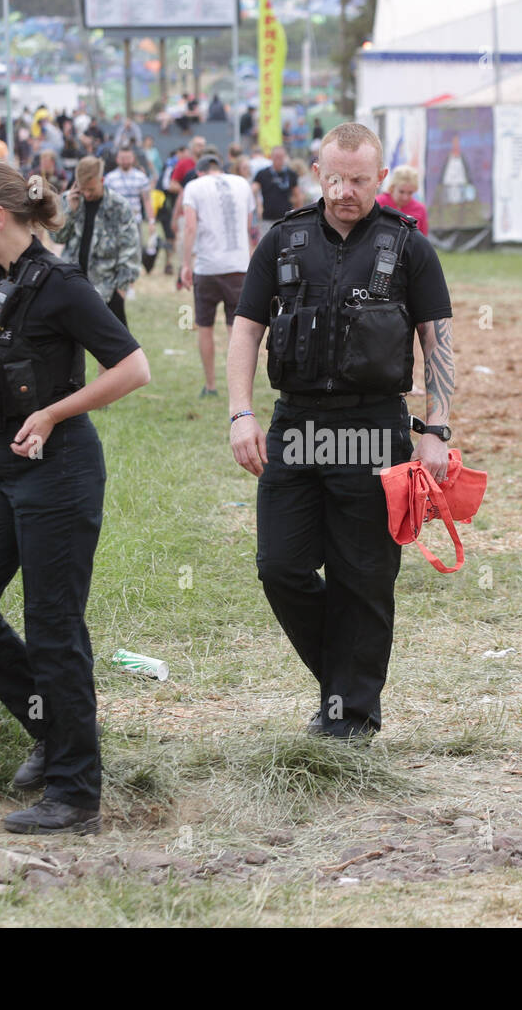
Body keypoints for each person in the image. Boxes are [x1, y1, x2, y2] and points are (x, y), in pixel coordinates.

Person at [0, 163, 151, 834]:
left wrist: (56, 412)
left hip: (59, 471)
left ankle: (76, 794)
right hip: (2, 466)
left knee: (55, 629)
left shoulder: (61, 284)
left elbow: (133, 368)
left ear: (0, 215)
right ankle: (50, 726)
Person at [227, 122, 454, 739]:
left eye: (358, 179)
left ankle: (350, 717)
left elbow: (437, 341)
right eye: (334, 178)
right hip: (296, 424)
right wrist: (241, 411)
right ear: (317, 173)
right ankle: (345, 679)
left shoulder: (409, 248)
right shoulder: (283, 239)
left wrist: (437, 428)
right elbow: (247, 327)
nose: (344, 191)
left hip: (375, 428)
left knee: (365, 576)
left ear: (381, 179)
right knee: (281, 567)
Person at [180, 152, 254, 397]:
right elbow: (248, 225)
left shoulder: (193, 186)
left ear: (200, 171)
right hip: (239, 266)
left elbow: (190, 227)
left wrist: (185, 264)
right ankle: (238, 387)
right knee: (237, 330)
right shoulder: (242, 183)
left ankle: (210, 385)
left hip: (208, 266)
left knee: (205, 327)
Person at [53, 156, 141, 328]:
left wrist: (121, 290)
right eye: (83, 188)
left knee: (117, 350)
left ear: (102, 180)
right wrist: (70, 210)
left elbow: (130, 249)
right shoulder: (69, 200)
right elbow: (57, 237)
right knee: (68, 349)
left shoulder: (119, 206)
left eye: (91, 189)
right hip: (72, 287)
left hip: (107, 289)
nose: (87, 194)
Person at [253, 145, 299, 236]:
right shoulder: (262, 174)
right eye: (276, 157)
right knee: (267, 246)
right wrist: (258, 205)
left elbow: (297, 195)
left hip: (285, 218)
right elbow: (253, 190)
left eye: (281, 157)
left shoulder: (291, 174)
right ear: (271, 157)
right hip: (267, 219)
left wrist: (297, 214)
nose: (279, 160)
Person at [104, 145, 152, 230]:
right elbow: (106, 202)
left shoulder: (141, 177)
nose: (125, 161)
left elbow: (147, 200)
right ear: (117, 159)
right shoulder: (110, 178)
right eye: (122, 158)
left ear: (133, 158)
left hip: (135, 221)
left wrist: (152, 221)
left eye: (128, 158)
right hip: (116, 222)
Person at [376, 165, 429, 237]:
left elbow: (423, 239)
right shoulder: (378, 203)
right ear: (392, 187)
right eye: (401, 192)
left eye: (410, 193)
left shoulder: (420, 209)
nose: (405, 197)